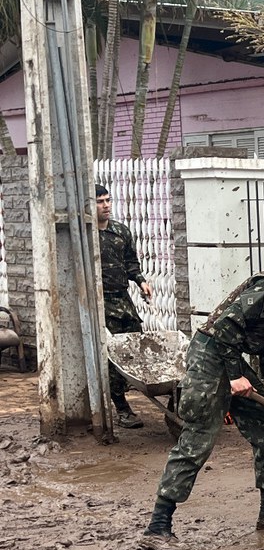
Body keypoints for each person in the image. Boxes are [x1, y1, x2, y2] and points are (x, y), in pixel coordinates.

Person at [140, 246, 264, 550]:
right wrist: (234, 376)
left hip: (229, 358)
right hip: (210, 354)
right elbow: (225, 327)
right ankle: (158, 527)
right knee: (199, 437)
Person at [96, 184, 152, 429]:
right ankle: (121, 408)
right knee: (111, 356)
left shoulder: (120, 231)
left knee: (136, 347)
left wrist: (141, 282)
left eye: (108, 200)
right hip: (99, 302)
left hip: (122, 299)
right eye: (100, 201)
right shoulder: (85, 236)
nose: (106, 205)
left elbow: (131, 263)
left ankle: (138, 391)